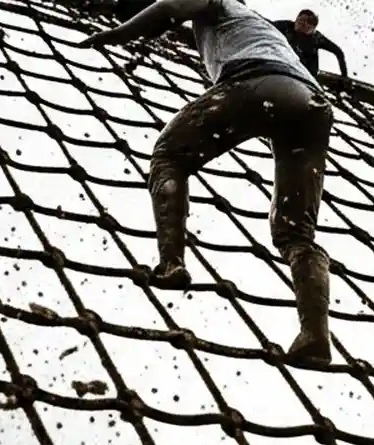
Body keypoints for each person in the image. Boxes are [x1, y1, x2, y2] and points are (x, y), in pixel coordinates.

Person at [79, 0, 335, 365]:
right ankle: (315, 336)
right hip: (313, 104)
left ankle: (171, 264)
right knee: (296, 233)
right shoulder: (260, 23)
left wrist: (117, 34)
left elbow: (169, 7)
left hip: (256, 81)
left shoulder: (221, 1)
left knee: (169, 156)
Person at [271, 9, 347, 78]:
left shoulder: (317, 38)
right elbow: (266, 24)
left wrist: (344, 75)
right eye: (301, 20)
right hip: (283, 65)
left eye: (308, 24)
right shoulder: (287, 26)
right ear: (297, 19)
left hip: (306, 75)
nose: (302, 25)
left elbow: (338, 52)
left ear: (313, 28)